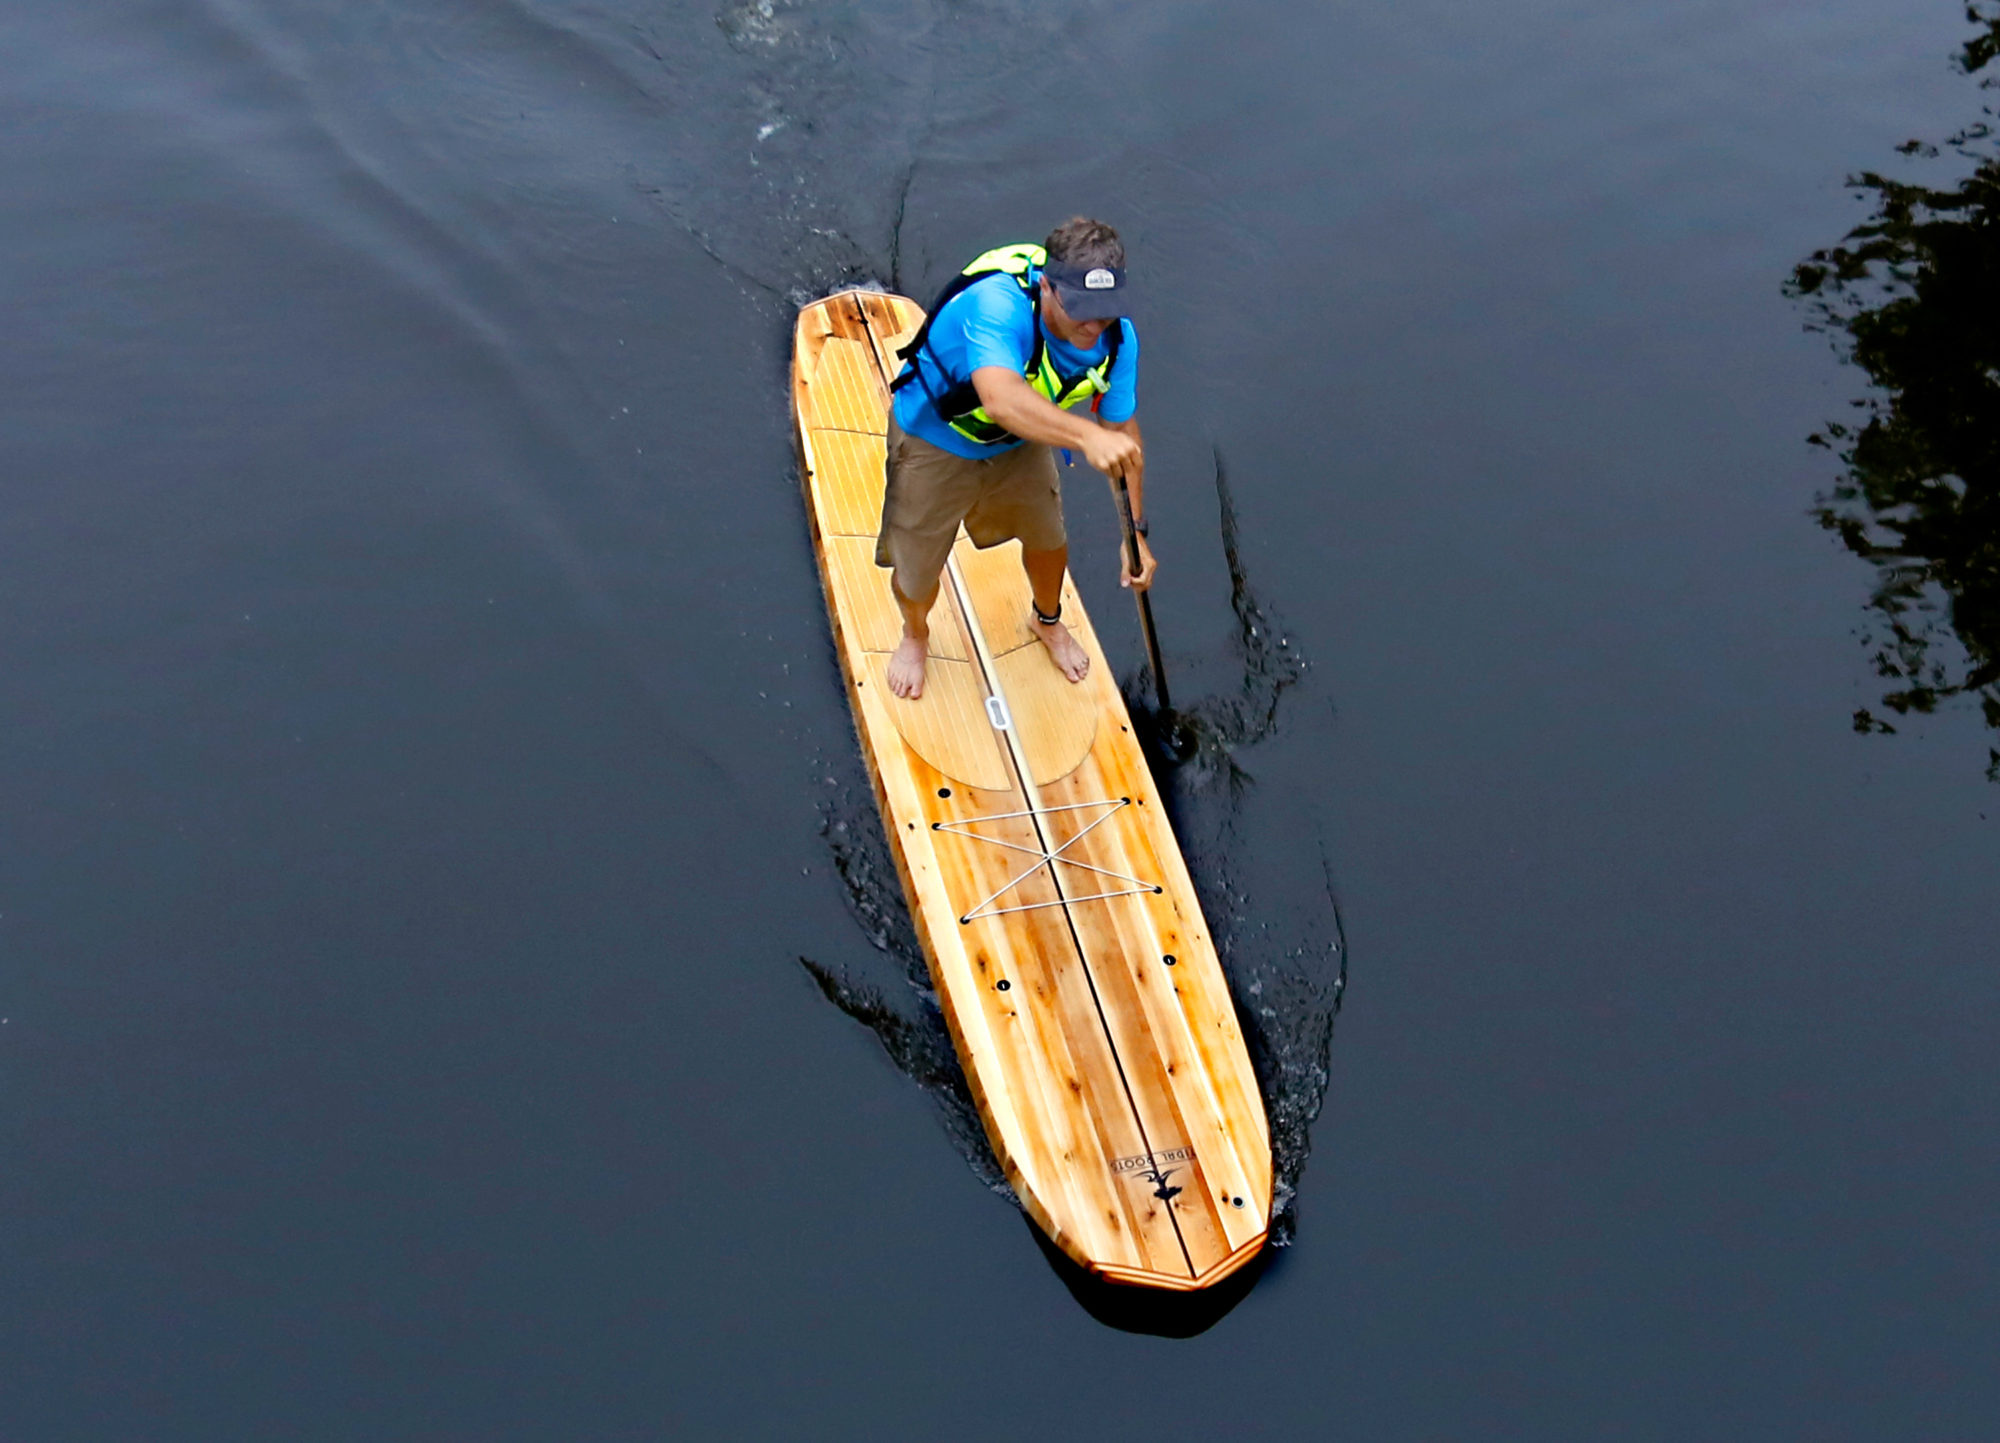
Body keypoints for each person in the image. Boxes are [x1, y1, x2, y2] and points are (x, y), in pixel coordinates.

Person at [875, 216, 1154, 700]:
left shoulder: (1119, 340)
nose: (1094, 325)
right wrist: (1087, 437)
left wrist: (1137, 536)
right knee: (917, 567)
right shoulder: (997, 304)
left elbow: (1123, 437)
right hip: (936, 435)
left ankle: (1046, 619)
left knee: (1049, 540)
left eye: (1105, 310)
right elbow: (1001, 397)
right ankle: (915, 635)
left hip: (1018, 440)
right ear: (1047, 286)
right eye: (1080, 309)